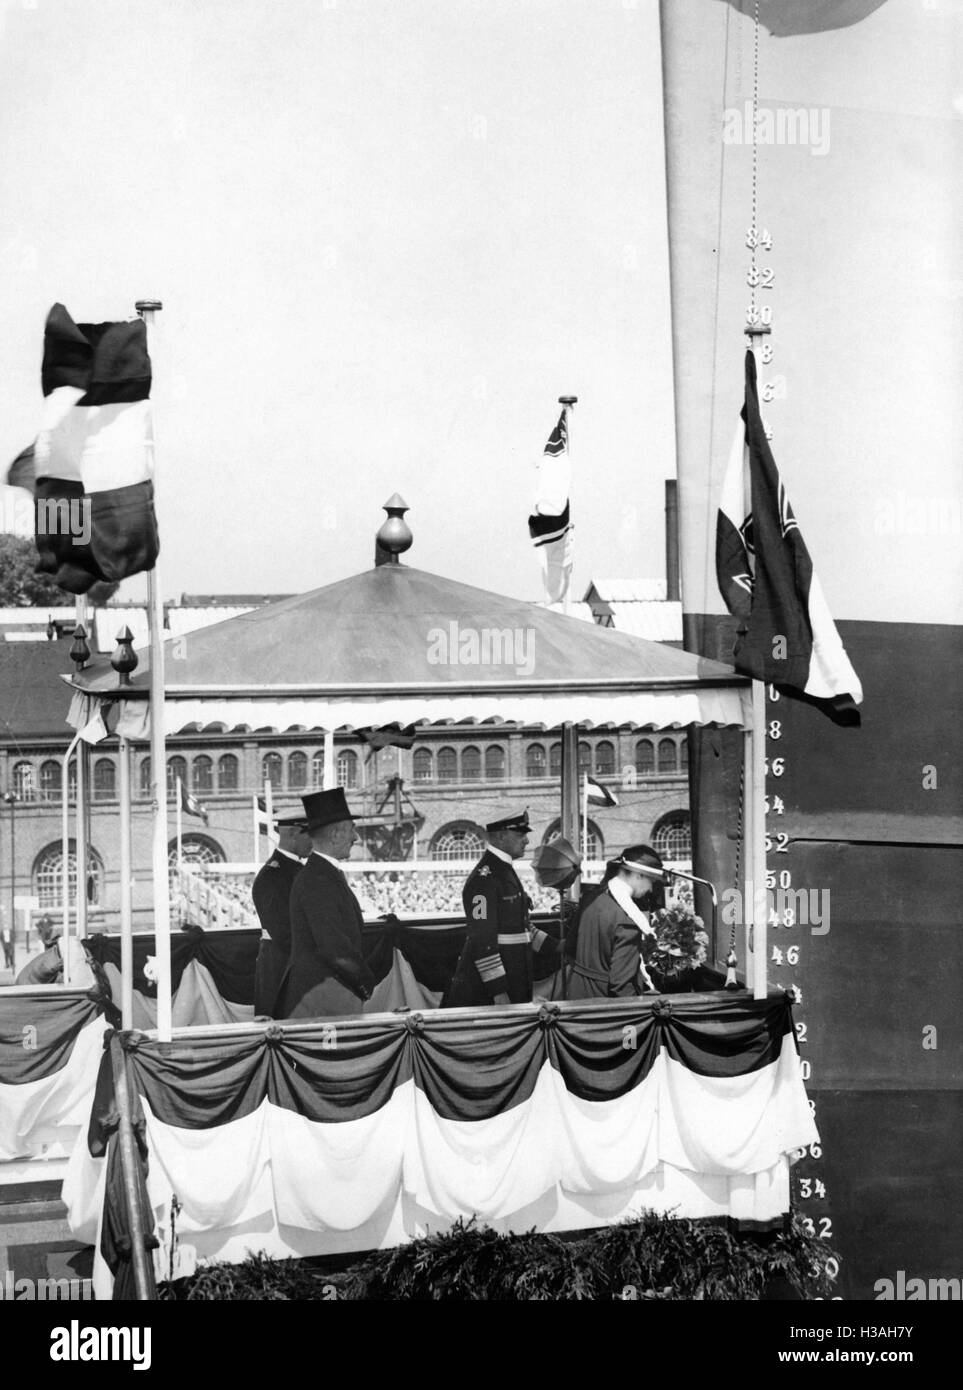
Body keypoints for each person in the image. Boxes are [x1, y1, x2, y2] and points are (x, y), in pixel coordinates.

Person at [277, 788, 376, 1019]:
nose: (356, 838)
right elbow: (336, 951)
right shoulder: (319, 879)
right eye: (352, 830)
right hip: (325, 1001)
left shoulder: (321, 875)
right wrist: (366, 984)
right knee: (333, 1054)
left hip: (329, 996)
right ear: (335, 834)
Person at [444, 809, 557, 1007]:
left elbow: (521, 929)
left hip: (514, 983)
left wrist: (557, 947)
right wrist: (498, 991)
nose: (527, 841)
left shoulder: (504, 871)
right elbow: (481, 938)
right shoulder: (483, 879)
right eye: (520, 834)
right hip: (488, 993)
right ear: (501, 836)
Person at [567, 844, 665, 1000]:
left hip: (576, 996)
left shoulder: (590, 899)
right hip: (603, 1006)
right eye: (652, 881)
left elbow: (570, 948)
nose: (651, 889)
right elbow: (621, 986)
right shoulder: (628, 922)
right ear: (638, 875)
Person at [251, 815, 312, 1016]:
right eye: (310, 834)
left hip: (294, 965)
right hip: (281, 967)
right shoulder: (272, 875)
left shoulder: (299, 870)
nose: (313, 841)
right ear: (293, 834)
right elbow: (283, 932)